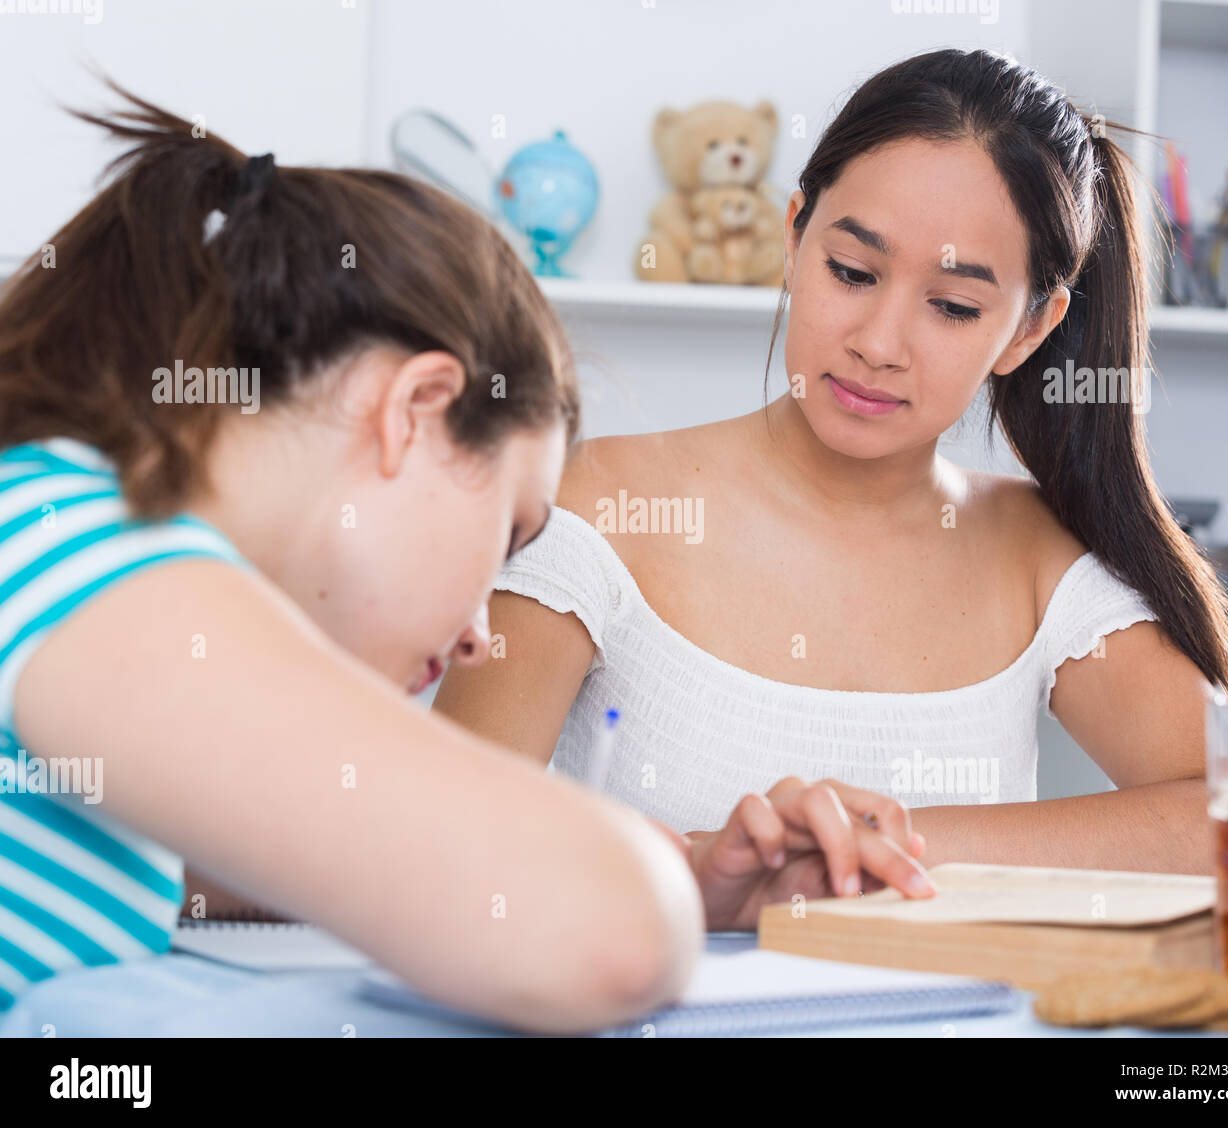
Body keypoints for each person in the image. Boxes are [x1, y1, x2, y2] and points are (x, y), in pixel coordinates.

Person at [0, 85, 932, 1029]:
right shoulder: (92, 561)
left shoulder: (49, 527)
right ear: (414, 412)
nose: (485, 636)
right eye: (512, 538)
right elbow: (614, 935)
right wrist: (633, 877)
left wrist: (695, 875)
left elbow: (232, 857)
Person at [434, 48, 1228, 876]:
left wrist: (870, 849)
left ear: (1030, 331)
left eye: (954, 307)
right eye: (852, 272)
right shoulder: (593, 505)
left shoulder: (1035, 556)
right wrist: (710, 869)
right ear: (794, 236)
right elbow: (441, 851)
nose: (878, 345)